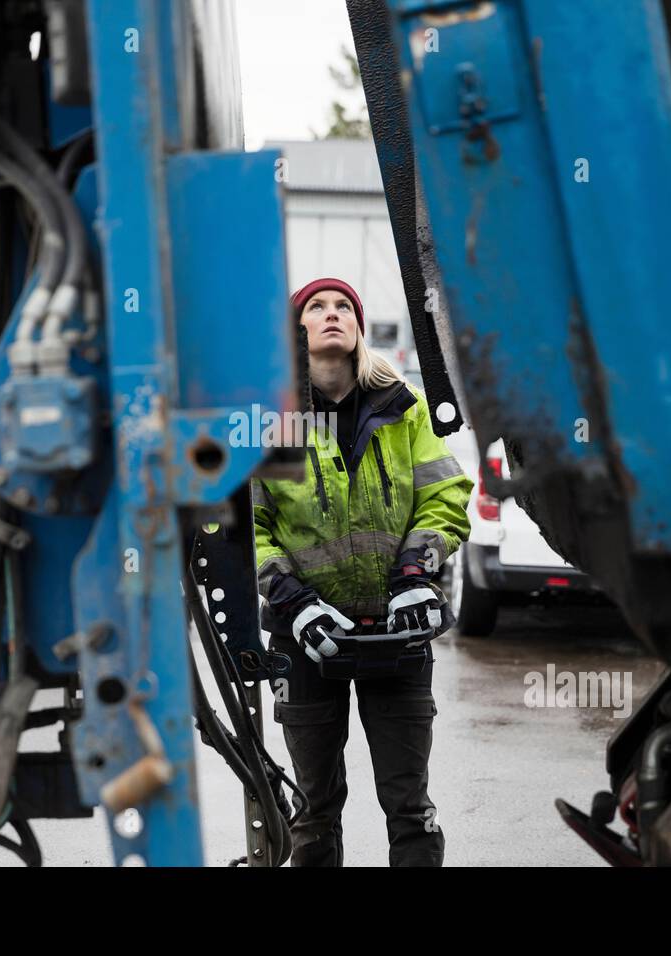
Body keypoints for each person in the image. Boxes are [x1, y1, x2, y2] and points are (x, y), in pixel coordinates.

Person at [251, 276, 473, 866]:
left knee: (410, 806)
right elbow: (250, 528)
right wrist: (294, 602)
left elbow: (445, 494)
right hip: (306, 641)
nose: (331, 314)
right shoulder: (273, 422)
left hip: (397, 634)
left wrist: (412, 575)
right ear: (296, 330)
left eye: (343, 306)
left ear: (358, 326)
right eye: (316, 307)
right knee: (315, 807)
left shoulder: (404, 409)